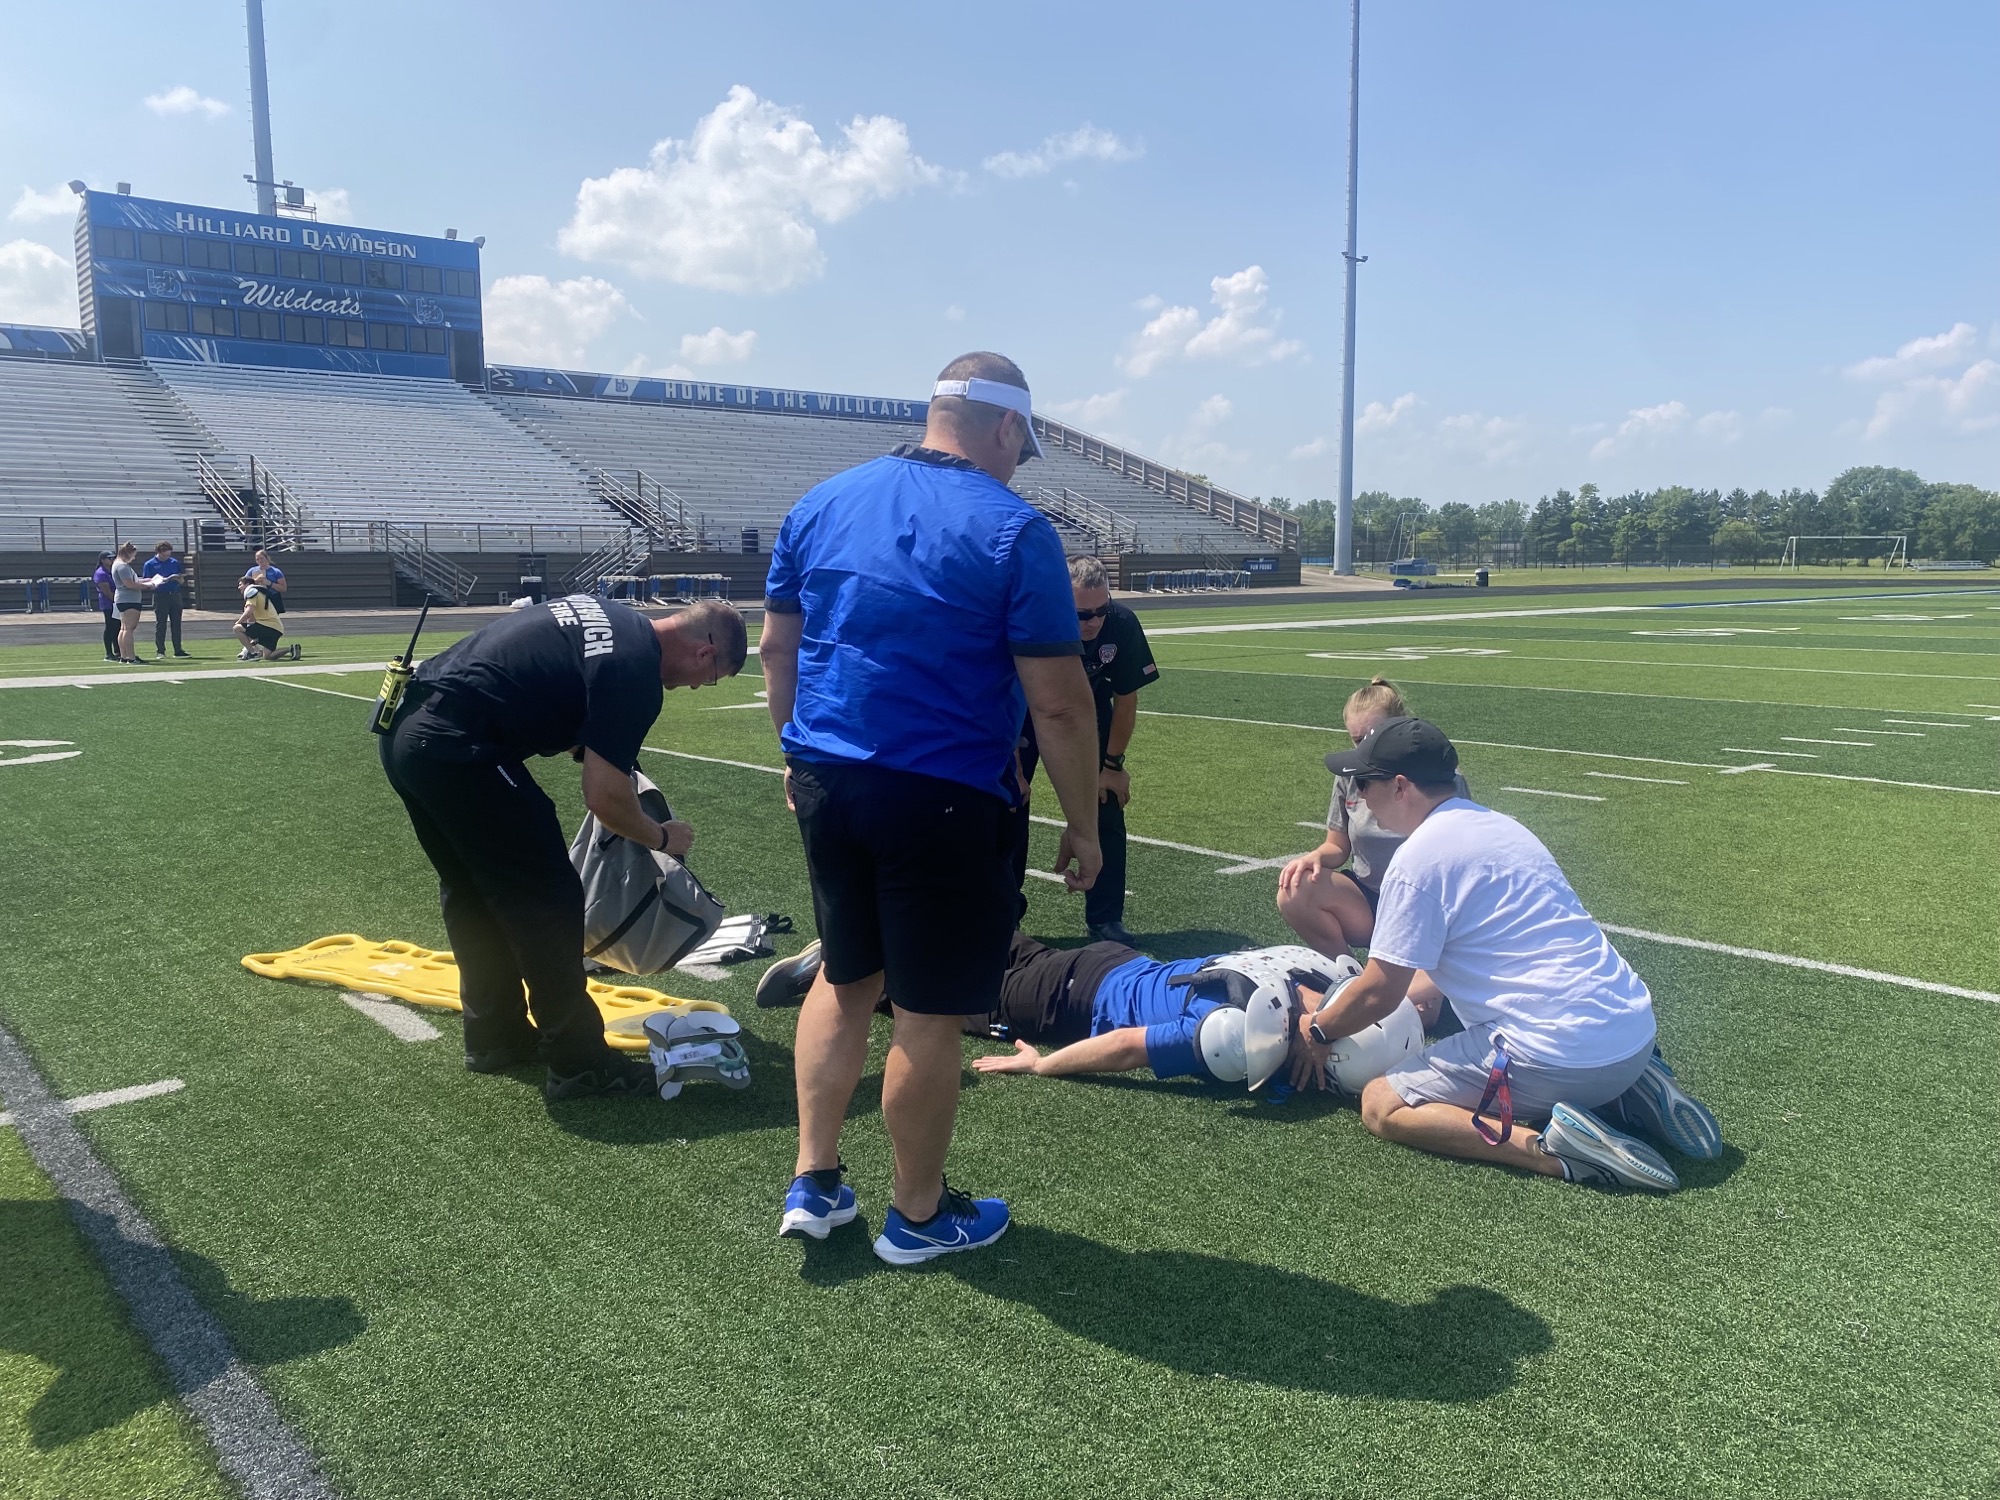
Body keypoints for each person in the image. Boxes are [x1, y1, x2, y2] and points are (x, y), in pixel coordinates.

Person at [761, 350, 1104, 1267]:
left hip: (828, 779)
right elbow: (1061, 701)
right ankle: (916, 1215)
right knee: (927, 1011)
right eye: (1020, 447)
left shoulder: (821, 503)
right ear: (1004, 427)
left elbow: (776, 649)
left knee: (844, 976)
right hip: (943, 793)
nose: (1016, 463)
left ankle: (815, 1179)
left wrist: (795, 749)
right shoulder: (1014, 529)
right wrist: (1082, 820)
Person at [1286, 717, 1724, 1192]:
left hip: (1557, 1054)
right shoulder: (1504, 827)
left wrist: (1319, 1029)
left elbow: (1380, 993)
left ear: (1399, 787)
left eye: (1364, 783)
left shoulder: (1416, 862)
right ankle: (1629, 1092)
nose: (1360, 797)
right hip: (1634, 1033)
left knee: (1381, 1104)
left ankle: (1556, 1153)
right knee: (1560, 1054)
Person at [380, 595, 747, 1101]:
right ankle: (581, 1064)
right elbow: (604, 799)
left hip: (406, 730)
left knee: (473, 890)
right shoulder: (637, 671)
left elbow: (548, 682)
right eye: (706, 680)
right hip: (457, 747)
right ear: (705, 653)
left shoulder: (616, 618)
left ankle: (496, 1036)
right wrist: (663, 837)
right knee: (549, 897)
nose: (690, 687)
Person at [1011, 555, 1160, 945]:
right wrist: (1008, 759)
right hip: (1021, 715)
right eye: (1081, 614)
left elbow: (1126, 701)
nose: (1093, 622)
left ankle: (1106, 919)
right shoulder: (1030, 617)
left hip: (1087, 718)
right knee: (1007, 801)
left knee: (1106, 802)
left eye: (1100, 611)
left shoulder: (1122, 624)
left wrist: (1112, 764)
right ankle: (1003, 913)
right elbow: (995, 693)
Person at [1278, 677, 1468, 968]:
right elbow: (1336, 846)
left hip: (1424, 905)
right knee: (1295, 888)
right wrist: (1315, 856)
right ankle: (1343, 973)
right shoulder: (1348, 775)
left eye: (1374, 735)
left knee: (1415, 1011)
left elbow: (1459, 858)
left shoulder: (1437, 779)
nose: (1366, 746)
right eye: (1357, 740)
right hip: (1371, 897)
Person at [109, 542, 168, 664]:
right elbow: (130, 584)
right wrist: (149, 585)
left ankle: (124, 656)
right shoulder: (122, 566)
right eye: (133, 555)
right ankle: (131, 657)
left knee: (124, 628)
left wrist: (149, 580)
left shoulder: (119, 565)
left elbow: (133, 580)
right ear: (127, 553)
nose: (134, 558)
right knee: (129, 629)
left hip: (124, 598)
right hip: (129, 599)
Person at [234, 574, 298, 662]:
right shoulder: (260, 592)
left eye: (240, 584)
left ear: (247, 584)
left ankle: (252, 654)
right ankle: (291, 649)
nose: (239, 587)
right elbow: (252, 619)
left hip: (267, 625)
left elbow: (249, 612)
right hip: (277, 628)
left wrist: (238, 622)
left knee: (237, 628)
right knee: (268, 656)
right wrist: (252, 640)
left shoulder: (251, 592)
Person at [143, 541, 190, 659]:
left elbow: (181, 579)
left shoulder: (174, 562)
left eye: (168, 554)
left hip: (175, 594)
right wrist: (159, 581)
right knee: (161, 624)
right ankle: (160, 651)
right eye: (165, 555)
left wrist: (178, 579)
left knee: (176, 623)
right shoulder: (149, 564)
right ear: (159, 552)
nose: (167, 557)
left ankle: (178, 650)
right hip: (160, 595)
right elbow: (146, 581)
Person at [91, 550, 118, 663]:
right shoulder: (101, 573)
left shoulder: (113, 571)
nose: (112, 560)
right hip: (109, 604)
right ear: (102, 560)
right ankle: (109, 652)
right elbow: (107, 592)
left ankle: (118, 650)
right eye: (109, 558)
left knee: (117, 627)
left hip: (116, 602)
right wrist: (117, 601)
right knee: (110, 627)